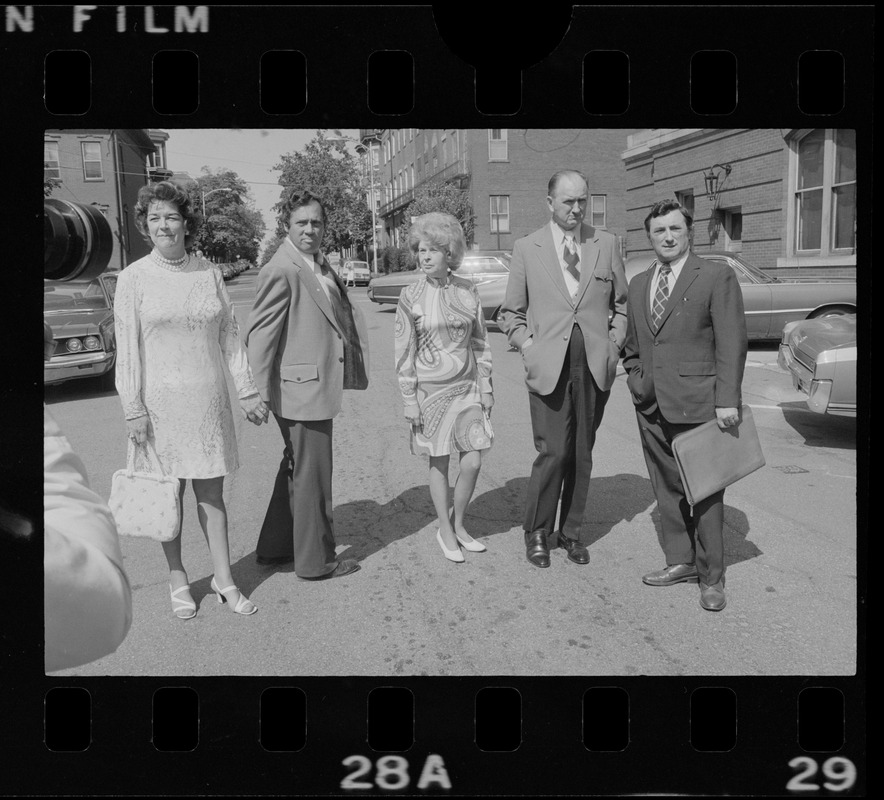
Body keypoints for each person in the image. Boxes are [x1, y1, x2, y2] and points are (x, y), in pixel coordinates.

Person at [114, 181, 267, 620]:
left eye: (172, 216)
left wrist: (247, 390)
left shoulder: (210, 273)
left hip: (208, 403)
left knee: (211, 498)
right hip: (158, 408)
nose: (164, 225)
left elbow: (229, 338)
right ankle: (177, 577)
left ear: (186, 223)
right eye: (155, 217)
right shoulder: (134, 278)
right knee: (169, 497)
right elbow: (127, 350)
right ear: (146, 225)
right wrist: (134, 409)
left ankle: (224, 580)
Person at [622, 199, 748, 612]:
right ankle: (680, 561)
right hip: (652, 405)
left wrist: (727, 399)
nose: (668, 237)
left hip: (701, 405)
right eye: (660, 231)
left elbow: (732, 342)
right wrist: (637, 380)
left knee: (706, 492)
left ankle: (712, 579)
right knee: (666, 488)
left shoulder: (715, 276)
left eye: (675, 229)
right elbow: (635, 345)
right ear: (650, 236)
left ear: (688, 231)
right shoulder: (639, 282)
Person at [500, 170, 628, 569]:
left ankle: (570, 532)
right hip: (548, 365)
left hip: (592, 365)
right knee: (553, 451)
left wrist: (614, 343)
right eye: (568, 201)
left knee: (581, 452)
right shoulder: (527, 247)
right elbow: (510, 313)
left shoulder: (605, 244)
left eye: (583, 201)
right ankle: (537, 532)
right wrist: (528, 345)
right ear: (550, 202)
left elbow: (621, 304)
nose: (576, 209)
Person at [246, 190, 368, 579]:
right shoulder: (282, 268)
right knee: (313, 474)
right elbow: (260, 335)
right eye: (302, 222)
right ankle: (317, 562)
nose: (310, 229)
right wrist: (257, 393)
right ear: (287, 225)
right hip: (301, 389)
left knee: (297, 465)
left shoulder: (315, 263)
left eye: (316, 222)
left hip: (310, 385)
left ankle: (275, 546)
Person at [394, 213, 494, 563]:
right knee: (439, 463)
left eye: (433, 250)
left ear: (449, 253)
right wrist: (409, 400)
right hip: (429, 393)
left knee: (472, 462)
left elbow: (480, 342)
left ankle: (460, 524)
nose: (425, 257)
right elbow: (403, 353)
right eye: (421, 250)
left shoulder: (468, 290)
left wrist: (487, 386)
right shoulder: (410, 295)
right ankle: (445, 529)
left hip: (467, 388)